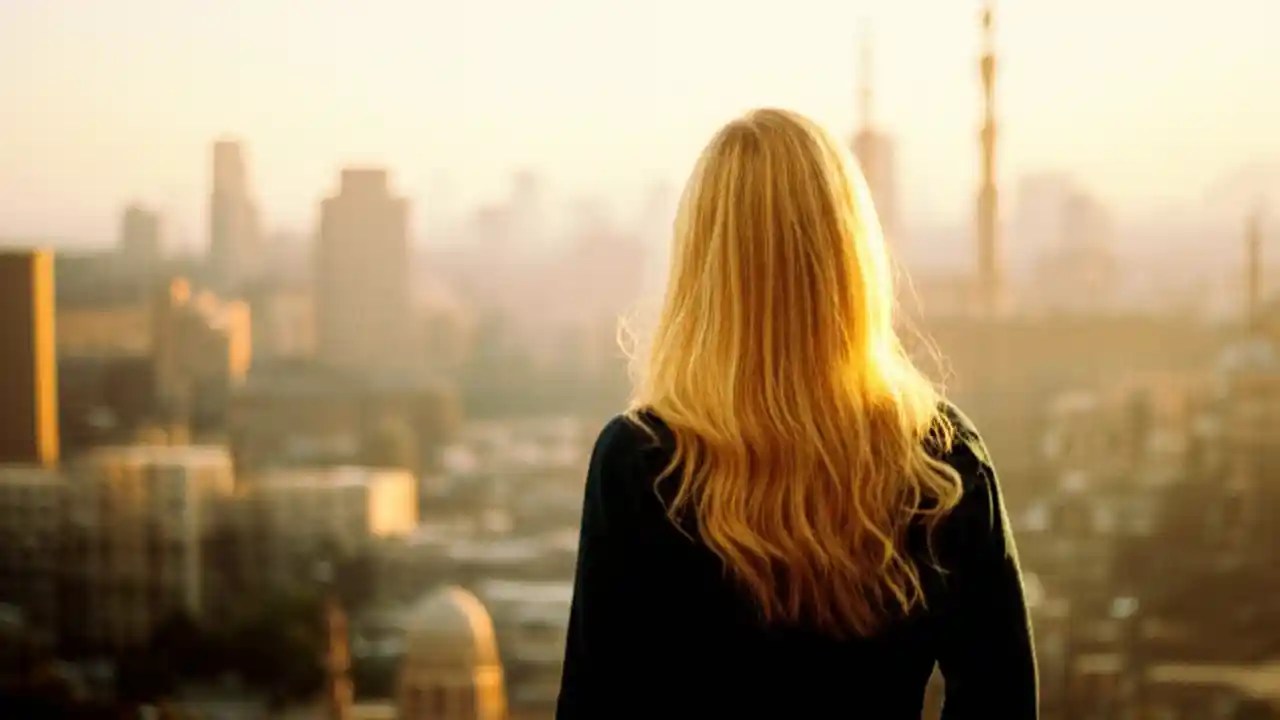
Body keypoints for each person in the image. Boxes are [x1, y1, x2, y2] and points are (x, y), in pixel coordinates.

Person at [556, 108, 1037, 719]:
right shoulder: (941, 460)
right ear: (849, 258)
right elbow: (1004, 702)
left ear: (702, 265)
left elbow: (595, 704)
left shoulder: (640, 463)